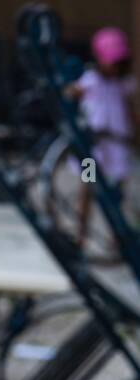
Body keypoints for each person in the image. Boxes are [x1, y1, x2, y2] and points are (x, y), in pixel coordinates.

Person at [67, 27, 139, 242]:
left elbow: (130, 111)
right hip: (94, 150)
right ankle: (80, 234)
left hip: (116, 149)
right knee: (88, 189)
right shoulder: (91, 80)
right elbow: (71, 93)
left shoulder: (124, 84)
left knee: (117, 193)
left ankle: (119, 238)